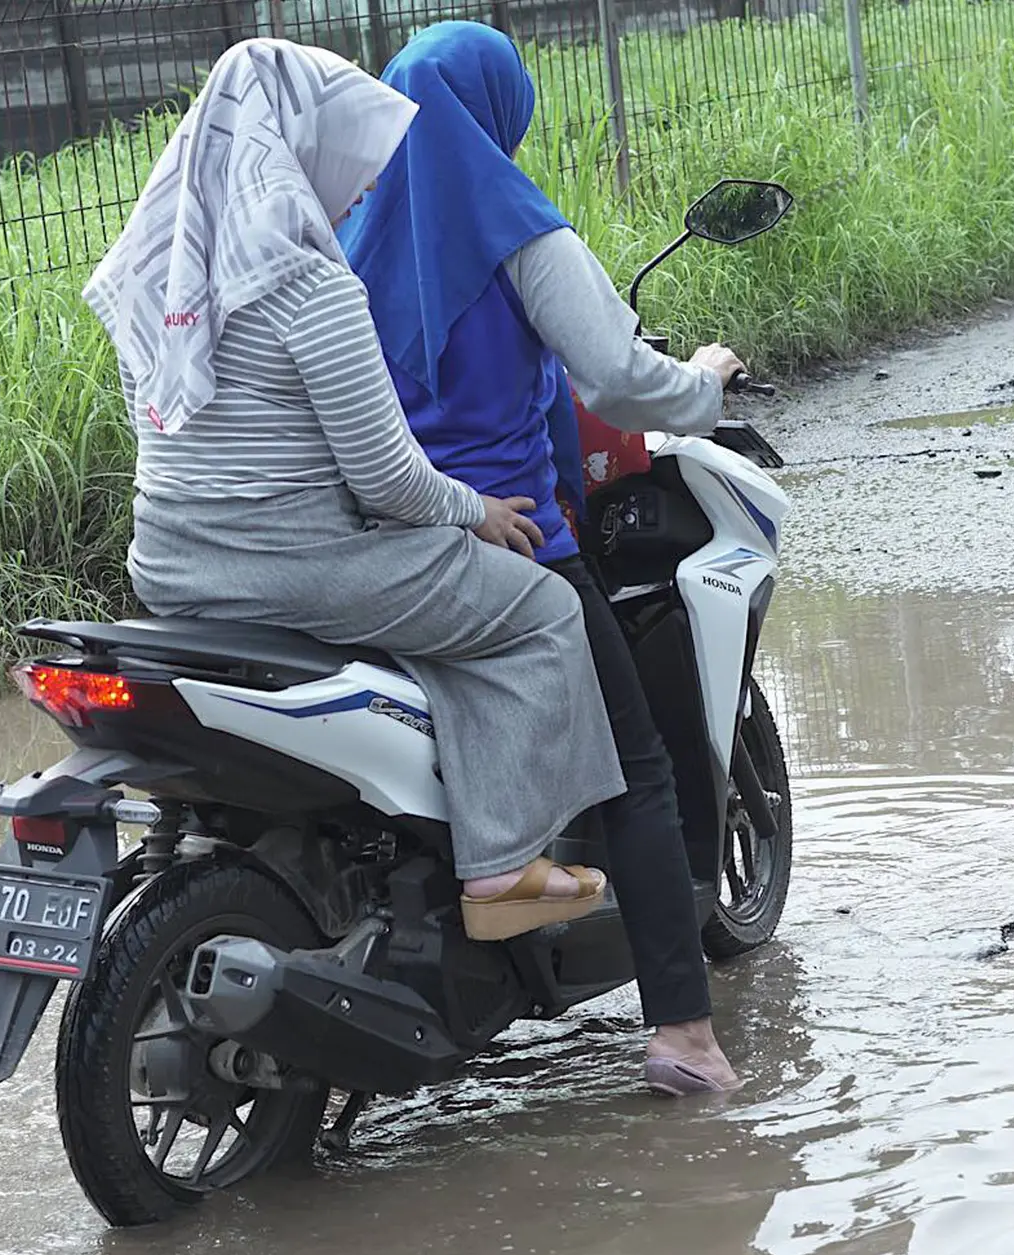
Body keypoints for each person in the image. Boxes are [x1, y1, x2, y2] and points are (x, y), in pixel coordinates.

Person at [81, 38, 623, 942]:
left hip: (168, 569)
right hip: (293, 566)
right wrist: (475, 512)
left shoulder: (167, 271)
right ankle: (501, 873)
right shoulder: (307, 285)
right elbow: (386, 477)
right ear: (296, 146)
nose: (368, 185)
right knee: (539, 613)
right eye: (354, 159)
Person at [340, 21, 746, 1096]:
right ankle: (684, 1038)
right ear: (497, 110)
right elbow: (613, 376)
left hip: (367, 550)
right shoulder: (520, 230)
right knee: (639, 771)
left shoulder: (342, 234)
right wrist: (702, 381)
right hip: (511, 536)